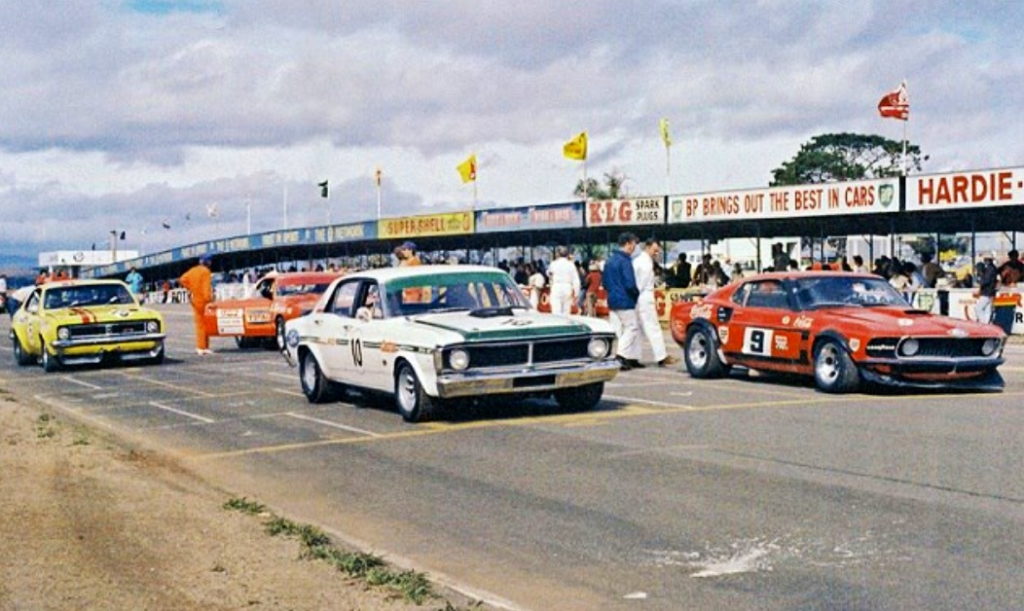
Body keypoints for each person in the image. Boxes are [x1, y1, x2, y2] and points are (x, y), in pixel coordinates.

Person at [633, 239, 680, 367]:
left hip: (639, 297)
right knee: (653, 327)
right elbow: (640, 284)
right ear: (647, 247)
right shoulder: (645, 263)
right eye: (655, 250)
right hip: (644, 296)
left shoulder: (639, 260)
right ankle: (661, 356)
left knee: (638, 329)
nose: (656, 253)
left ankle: (633, 356)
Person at [604, 232, 643, 370]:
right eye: (634, 244)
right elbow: (630, 284)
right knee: (632, 327)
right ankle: (621, 356)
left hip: (612, 299)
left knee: (618, 330)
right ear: (628, 244)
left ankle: (617, 355)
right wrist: (636, 294)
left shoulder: (609, 261)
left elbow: (605, 283)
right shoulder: (625, 261)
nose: (634, 247)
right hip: (625, 299)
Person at [180, 255, 215, 355]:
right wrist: (210, 299)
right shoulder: (206, 272)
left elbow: (182, 279)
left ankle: (202, 346)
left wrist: (190, 288)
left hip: (195, 300)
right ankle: (202, 347)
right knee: (205, 325)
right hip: (203, 301)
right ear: (208, 262)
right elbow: (206, 288)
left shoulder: (193, 270)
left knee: (200, 324)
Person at [546, 245, 580, 315]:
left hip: (557, 286)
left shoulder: (554, 264)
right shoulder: (571, 265)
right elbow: (576, 280)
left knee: (556, 310)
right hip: (567, 287)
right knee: (566, 311)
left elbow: (548, 273)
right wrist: (576, 293)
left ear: (558, 254)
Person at [974, 254, 999, 324]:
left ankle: (984, 323)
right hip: (990, 292)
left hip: (986, 292)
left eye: (985, 259)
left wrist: (979, 280)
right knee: (987, 310)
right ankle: (986, 324)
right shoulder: (993, 268)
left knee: (978, 308)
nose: (984, 261)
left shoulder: (990, 269)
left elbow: (986, 281)